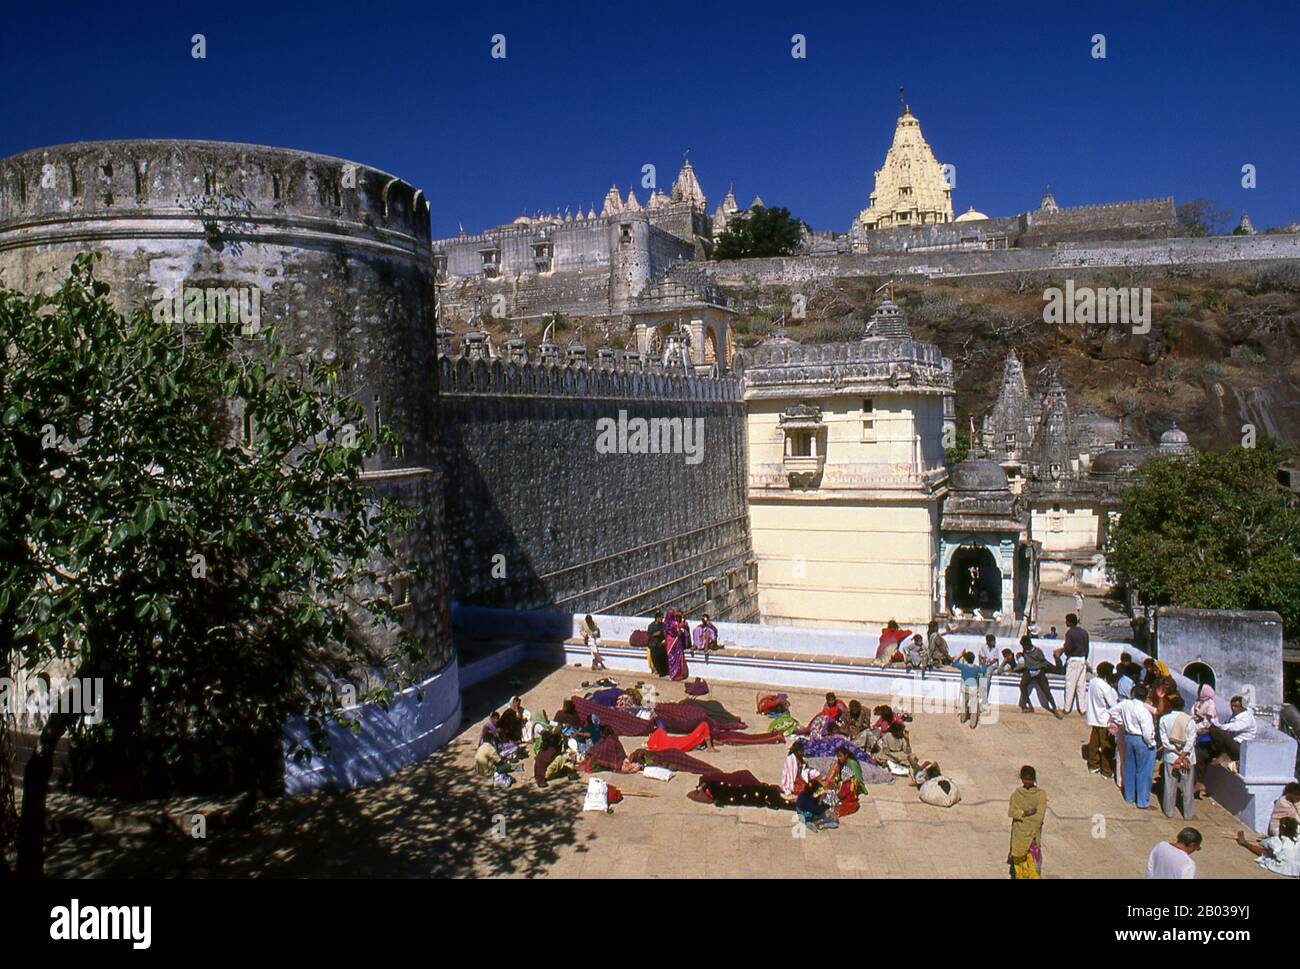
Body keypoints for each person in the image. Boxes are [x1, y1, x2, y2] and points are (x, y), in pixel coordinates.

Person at [1196, 695, 1258, 793]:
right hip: (1230, 744)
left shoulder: (1246, 717)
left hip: (1239, 747)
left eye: (1236, 706)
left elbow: (1234, 727)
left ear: (1242, 707)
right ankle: (1199, 782)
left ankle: (1224, 754)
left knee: (1215, 731)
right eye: (1232, 706)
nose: (1233, 709)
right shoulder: (1234, 716)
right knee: (1201, 752)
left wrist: (1218, 727)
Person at [1111, 684, 1157, 809]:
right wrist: (1151, 744)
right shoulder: (1144, 711)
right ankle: (1142, 801)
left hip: (1129, 737)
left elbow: (1112, 711)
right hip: (1142, 740)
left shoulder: (1126, 704)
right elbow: (1147, 732)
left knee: (1129, 767)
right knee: (1143, 771)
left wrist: (1121, 722)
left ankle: (1129, 796)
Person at [1158, 694, 1197, 819]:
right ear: (1183, 707)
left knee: (1170, 785)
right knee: (1188, 787)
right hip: (1187, 758)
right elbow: (1191, 742)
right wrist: (1183, 756)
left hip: (1171, 756)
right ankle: (1188, 814)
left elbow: (1164, 741)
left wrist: (1177, 754)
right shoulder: (1190, 721)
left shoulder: (1164, 719)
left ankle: (1168, 811)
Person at [1008, 765, 1047, 878]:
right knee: (1020, 868)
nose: (1027, 782)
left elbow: (1039, 817)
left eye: (1030, 779)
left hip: (1033, 837)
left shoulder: (1040, 794)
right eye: (1025, 779)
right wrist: (1025, 813)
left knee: (1034, 869)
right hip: (1019, 837)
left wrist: (1022, 818)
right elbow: (1011, 812)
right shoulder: (1017, 794)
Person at [1085, 662, 1119, 778]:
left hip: (1094, 718)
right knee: (1106, 747)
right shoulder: (1106, 687)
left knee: (1094, 743)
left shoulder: (1093, 682)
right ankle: (1106, 770)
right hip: (1104, 720)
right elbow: (1113, 704)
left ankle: (1093, 765)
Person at [1236, 818, 1300, 878]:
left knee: (1265, 852)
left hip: (1284, 868)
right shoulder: (1298, 839)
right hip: (1297, 869)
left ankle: (1245, 843)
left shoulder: (1277, 840)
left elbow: (1268, 848)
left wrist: (1264, 842)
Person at [1017, 635, 1061, 719]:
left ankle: (1054, 708)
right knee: (1022, 686)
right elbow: (1025, 656)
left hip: (1038, 671)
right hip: (1029, 671)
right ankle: (1029, 705)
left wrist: (1040, 667)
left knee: (1046, 690)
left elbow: (1044, 661)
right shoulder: (1025, 650)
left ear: (1028, 644)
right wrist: (1020, 655)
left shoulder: (1038, 651)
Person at [1054, 613, 1089, 716]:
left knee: (1070, 685)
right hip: (1082, 660)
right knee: (1081, 685)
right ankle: (1082, 709)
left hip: (1073, 660)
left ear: (1069, 622)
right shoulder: (1084, 632)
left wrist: (1063, 650)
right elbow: (1087, 648)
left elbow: (1069, 648)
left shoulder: (1069, 633)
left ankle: (1067, 708)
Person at [951, 650, 994, 729]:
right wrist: (983, 662)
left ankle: (963, 718)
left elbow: (954, 663)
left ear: (966, 659)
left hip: (965, 687)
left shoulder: (963, 666)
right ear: (973, 659)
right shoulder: (976, 668)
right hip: (973, 688)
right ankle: (973, 723)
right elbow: (984, 670)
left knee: (964, 702)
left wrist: (961, 654)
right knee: (974, 705)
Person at [663, 609, 689, 681]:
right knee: (677, 658)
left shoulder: (665, 623)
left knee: (671, 659)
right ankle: (677, 675)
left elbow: (665, 632)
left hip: (668, 642)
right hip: (675, 642)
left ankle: (672, 674)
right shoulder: (675, 623)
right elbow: (679, 632)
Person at [646, 612, 669, 677]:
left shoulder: (663, 625)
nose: (661, 619)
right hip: (654, 643)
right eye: (660, 618)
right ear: (656, 618)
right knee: (655, 654)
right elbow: (648, 636)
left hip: (661, 643)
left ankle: (664, 670)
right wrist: (655, 634)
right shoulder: (651, 626)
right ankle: (657, 669)